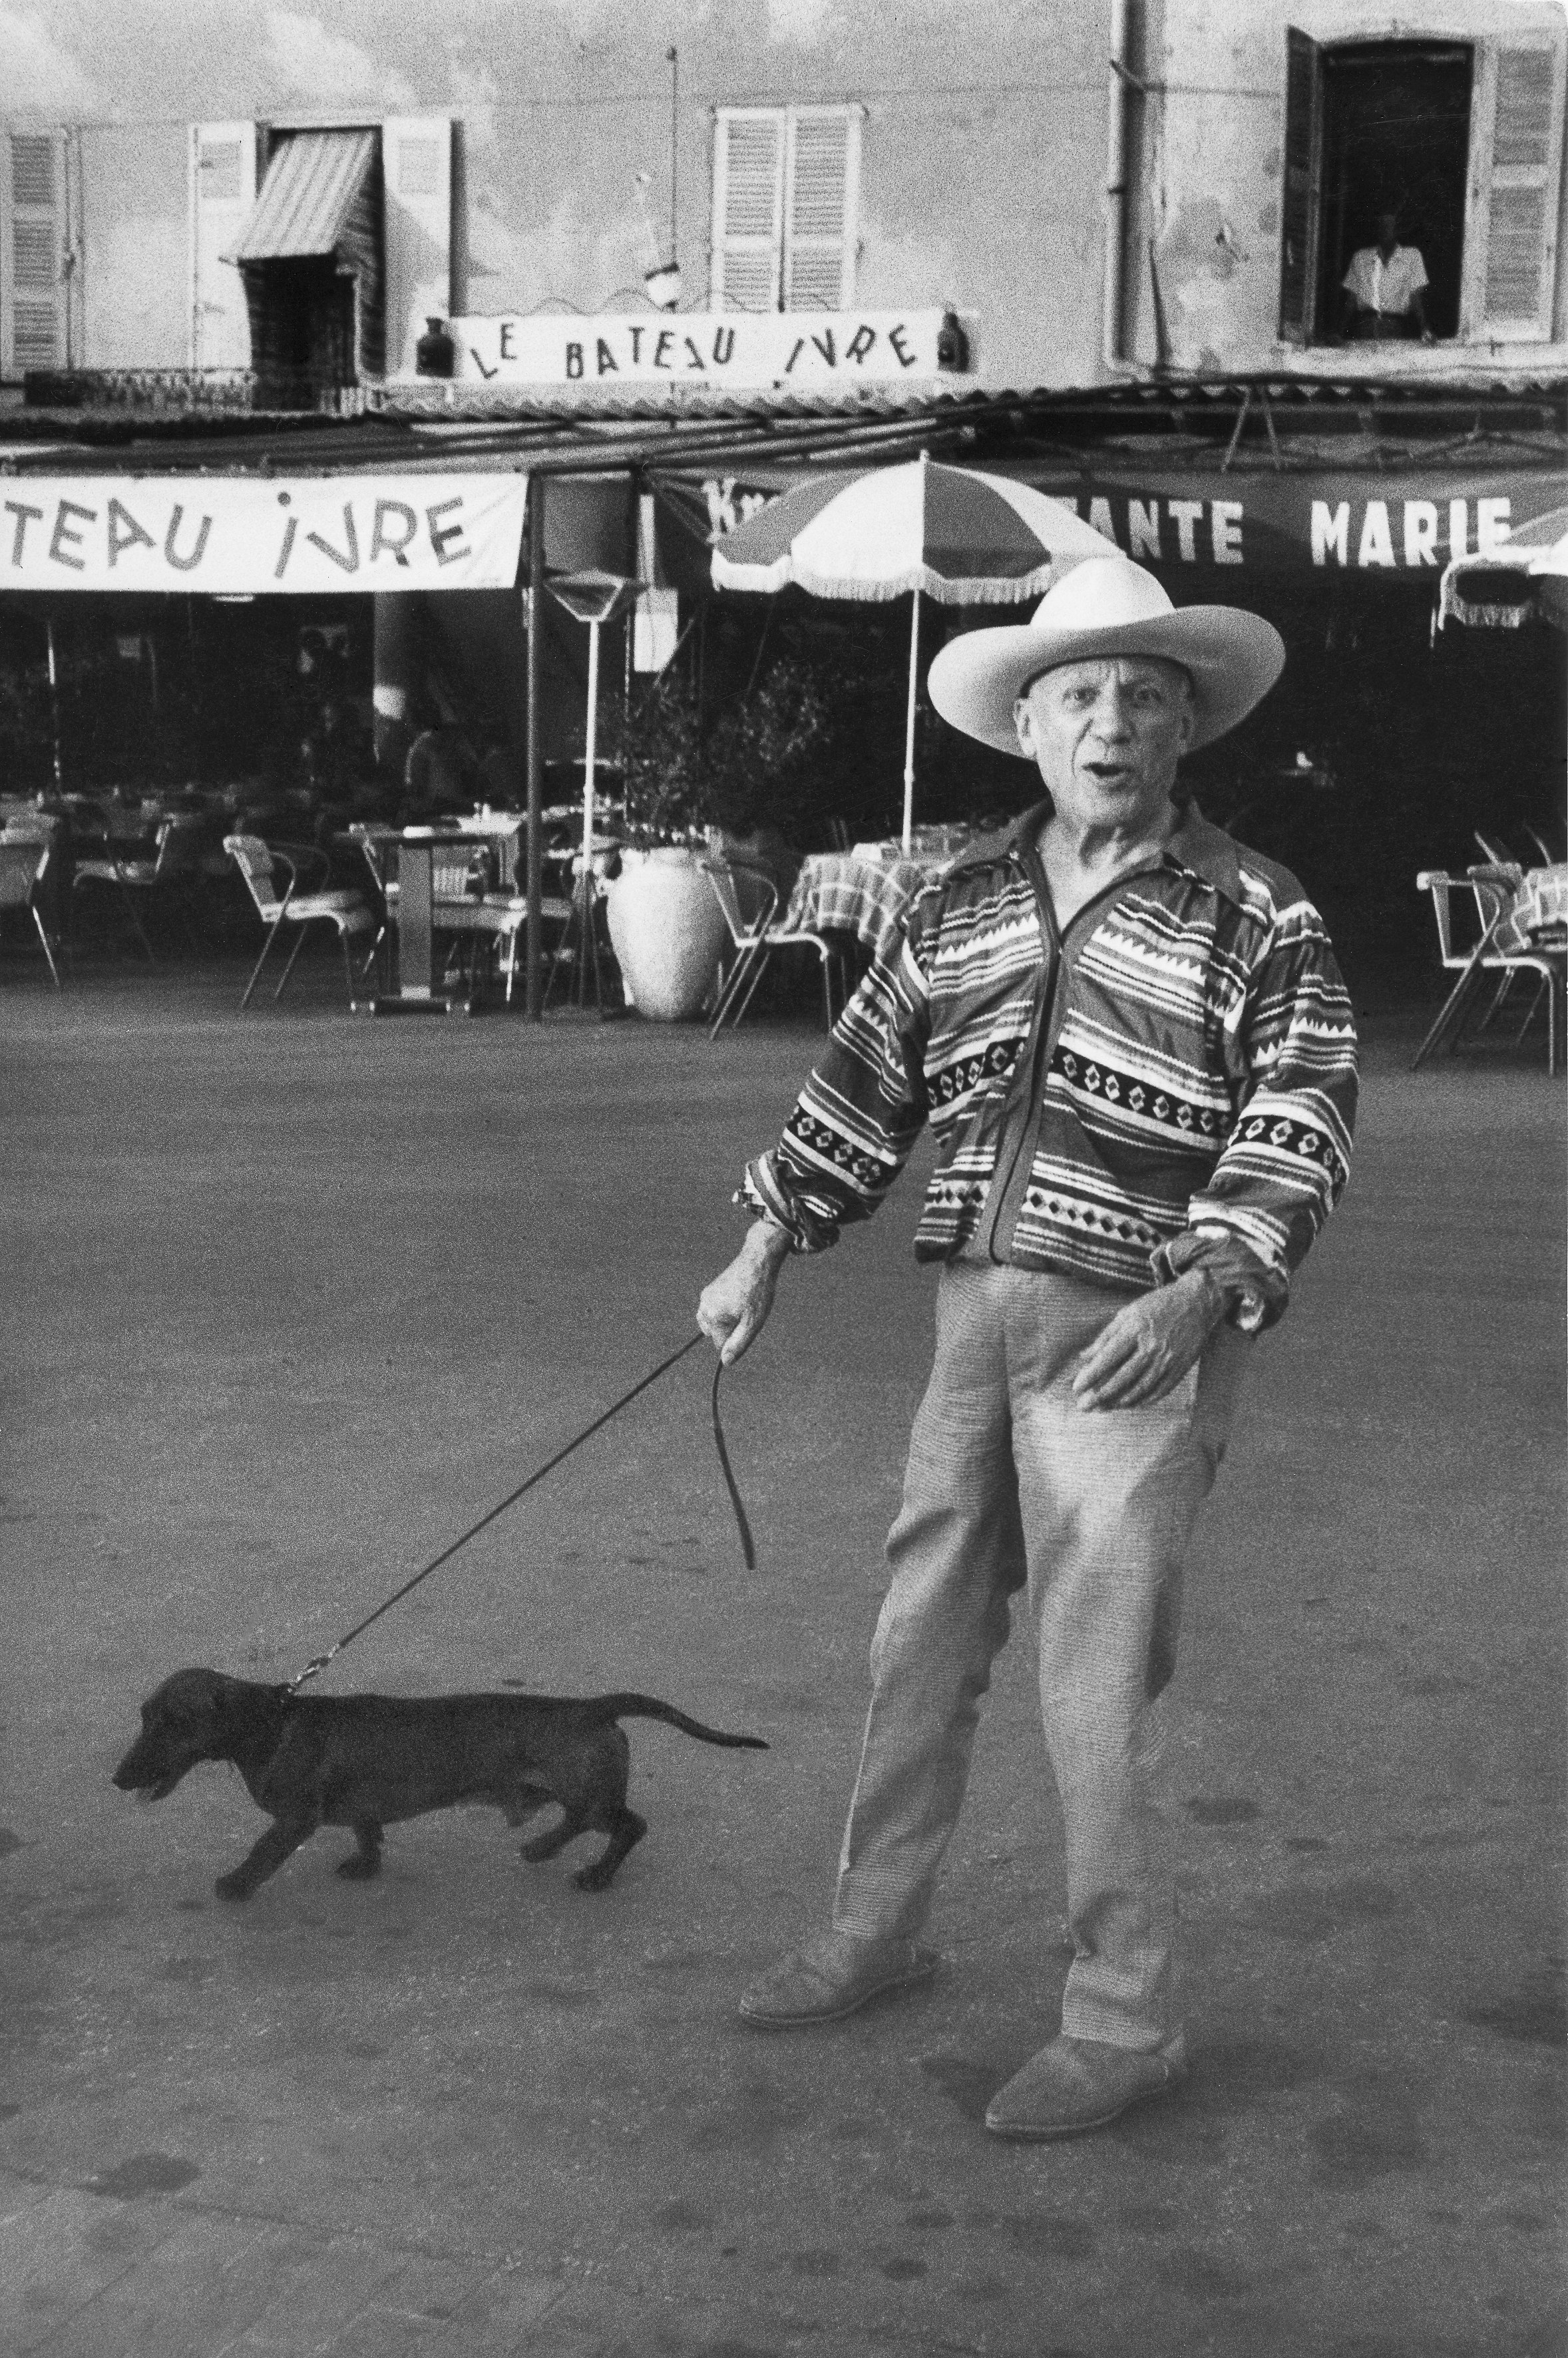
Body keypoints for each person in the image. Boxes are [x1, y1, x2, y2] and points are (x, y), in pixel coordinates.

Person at [696, 558, 1358, 2142]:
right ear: (1028, 725)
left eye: (1141, 696)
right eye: (1078, 695)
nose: (1108, 723)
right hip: (969, 1316)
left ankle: (1125, 2018)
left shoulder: (1254, 908)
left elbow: (1304, 1107)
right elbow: (865, 1076)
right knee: (916, 1637)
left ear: (1185, 725)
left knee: (1093, 1679)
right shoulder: (961, 896)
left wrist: (1199, 1292)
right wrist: (763, 1242)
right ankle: (876, 1926)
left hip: (1131, 1332)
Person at [1342, 211, 1434, 342]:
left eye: (1389, 226)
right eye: (1381, 226)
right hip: (1365, 325)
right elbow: (1351, 298)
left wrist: (1425, 328)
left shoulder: (1412, 256)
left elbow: (1416, 297)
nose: (1384, 230)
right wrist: (1339, 332)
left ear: (1398, 230)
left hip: (1394, 326)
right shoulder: (1361, 257)